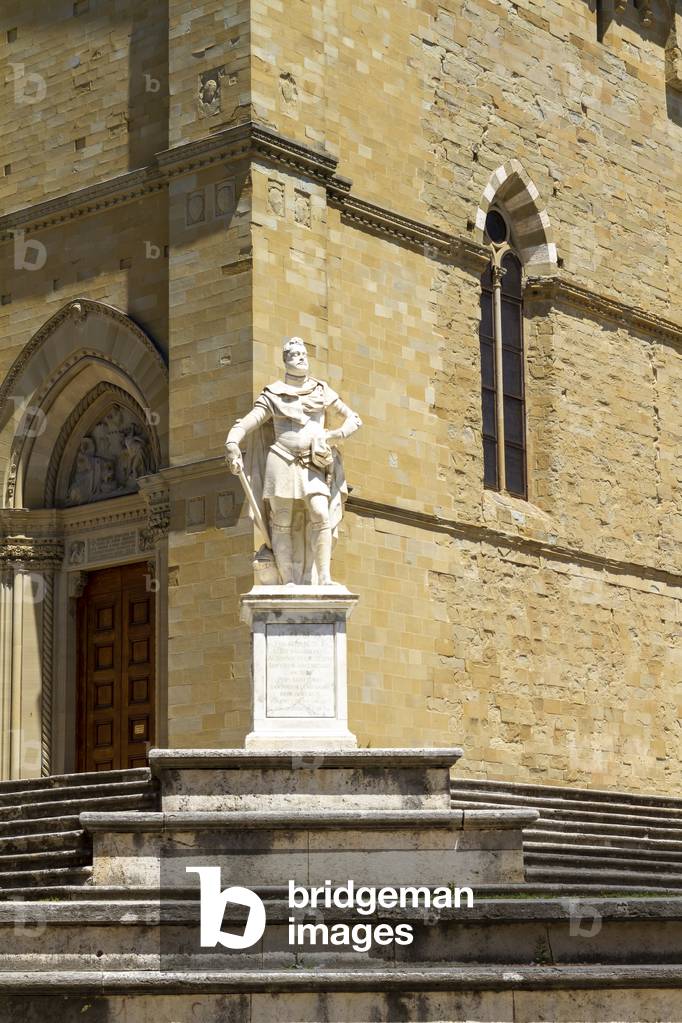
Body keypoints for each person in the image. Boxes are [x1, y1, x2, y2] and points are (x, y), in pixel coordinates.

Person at [225, 337, 362, 585]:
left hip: (313, 462)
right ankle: (287, 580)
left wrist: (333, 436)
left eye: (303, 354)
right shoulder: (273, 394)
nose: (300, 357)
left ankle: (324, 577)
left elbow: (353, 419)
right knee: (282, 520)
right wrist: (232, 443)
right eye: (294, 354)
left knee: (321, 515)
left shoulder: (321, 390)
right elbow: (248, 422)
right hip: (282, 460)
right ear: (285, 361)